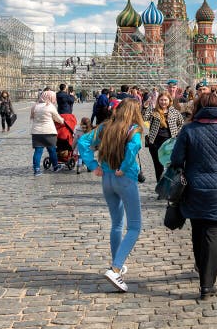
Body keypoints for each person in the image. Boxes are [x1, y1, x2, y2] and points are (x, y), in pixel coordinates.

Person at [170, 93, 217, 300]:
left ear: (198, 107)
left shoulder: (189, 129)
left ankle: (201, 268)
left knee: (197, 230)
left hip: (193, 187)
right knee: (212, 234)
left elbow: (176, 159)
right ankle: (207, 285)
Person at [77, 98, 145, 293]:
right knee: (134, 226)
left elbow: (82, 141)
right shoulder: (134, 130)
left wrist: (93, 165)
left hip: (107, 179)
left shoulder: (105, 126)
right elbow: (132, 150)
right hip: (125, 178)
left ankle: (117, 263)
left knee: (116, 223)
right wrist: (124, 167)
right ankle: (115, 269)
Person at [142, 91, 183, 183]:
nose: (163, 102)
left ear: (169, 101)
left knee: (170, 165)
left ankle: (170, 186)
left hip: (170, 143)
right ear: (158, 100)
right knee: (158, 166)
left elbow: (181, 123)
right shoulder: (153, 111)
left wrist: (176, 134)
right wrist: (145, 107)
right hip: (155, 142)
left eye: (165, 100)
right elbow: (144, 118)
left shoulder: (174, 112)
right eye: (161, 100)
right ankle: (160, 186)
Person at [29, 90, 65, 175]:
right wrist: (62, 120)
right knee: (52, 150)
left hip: (36, 132)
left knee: (38, 151)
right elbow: (58, 119)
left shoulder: (35, 106)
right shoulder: (50, 106)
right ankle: (55, 166)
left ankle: (36, 169)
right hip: (49, 132)